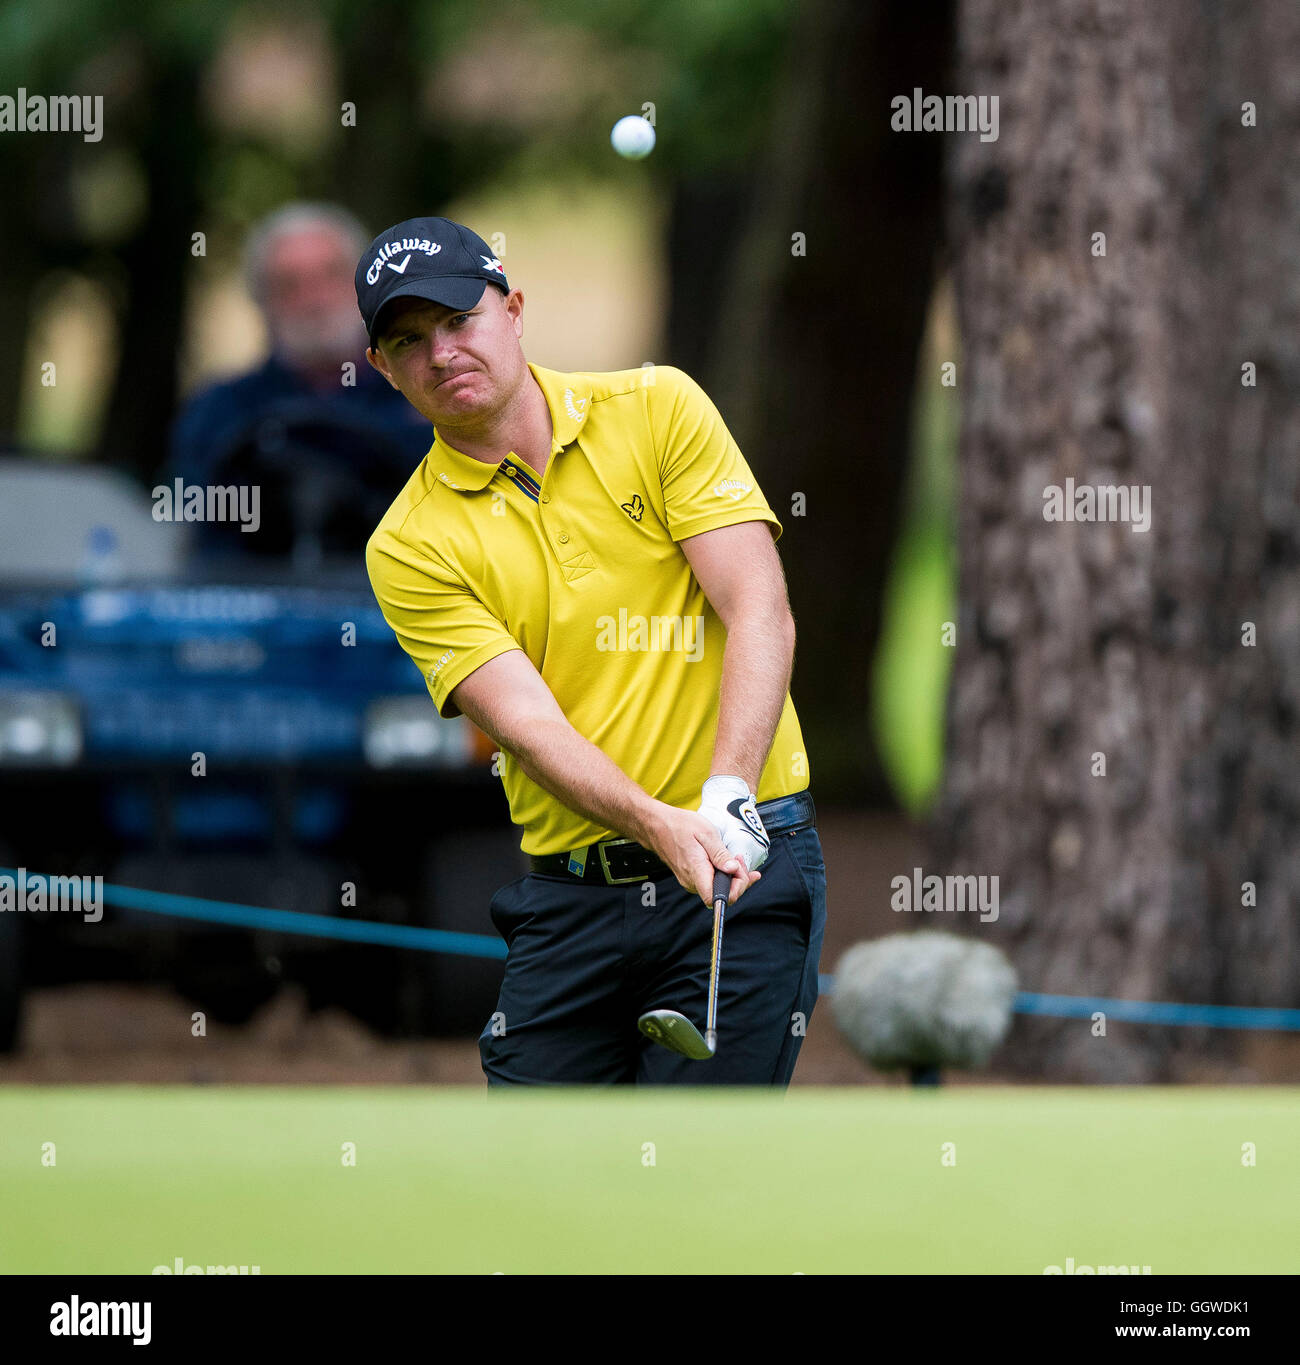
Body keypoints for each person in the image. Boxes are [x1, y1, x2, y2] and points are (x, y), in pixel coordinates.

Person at [359, 215, 826, 1086]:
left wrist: (725, 797)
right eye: (409, 340)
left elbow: (758, 604)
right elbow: (526, 725)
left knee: (696, 1176)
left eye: (460, 321)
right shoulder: (409, 543)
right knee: (541, 1189)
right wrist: (659, 824)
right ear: (385, 369)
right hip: (569, 895)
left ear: (515, 310)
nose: (443, 352)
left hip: (742, 865)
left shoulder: (655, 409)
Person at [166, 202, 431, 500]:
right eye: (289, 285)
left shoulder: (425, 393)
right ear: (262, 301)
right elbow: (191, 527)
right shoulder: (219, 412)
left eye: (331, 275)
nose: (314, 301)